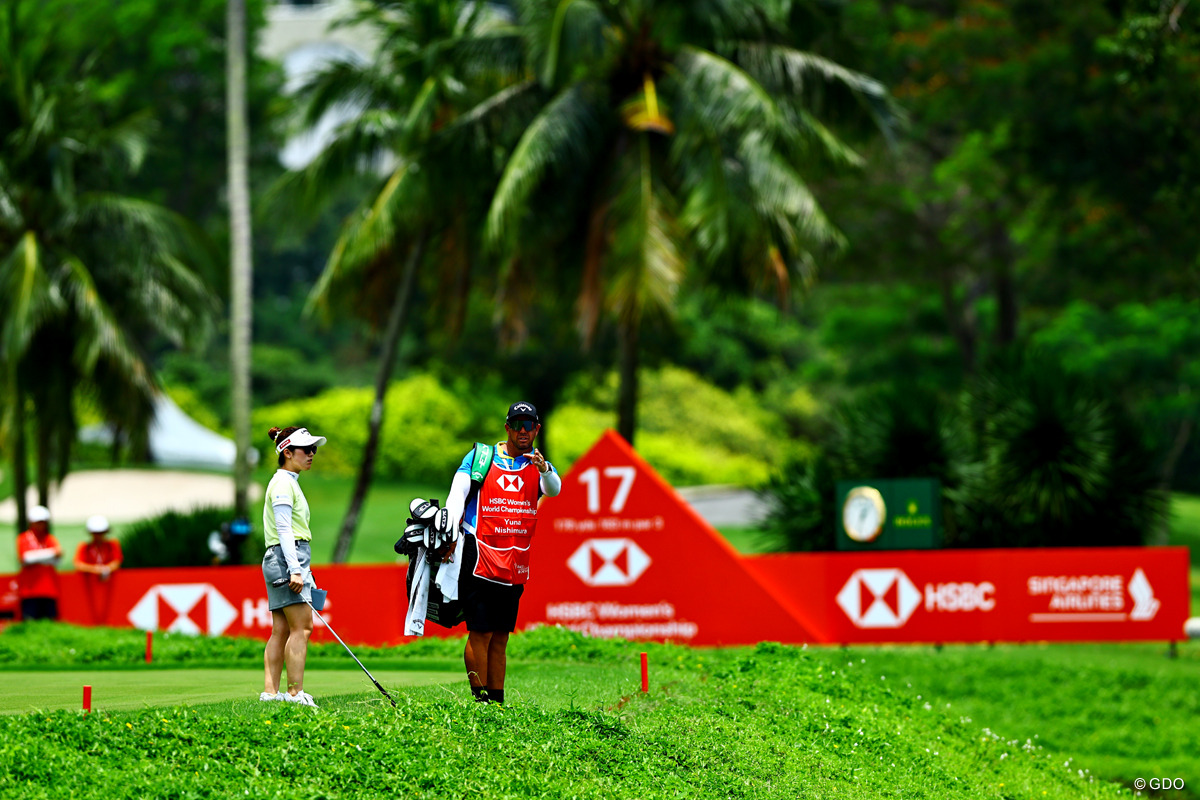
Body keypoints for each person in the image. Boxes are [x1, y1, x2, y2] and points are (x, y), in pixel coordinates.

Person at [441, 402, 562, 704]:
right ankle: (479, 700)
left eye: (529, 425)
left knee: (501, 636)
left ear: (537, 429)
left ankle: (496, 702)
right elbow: (457, 495)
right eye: (517, 424)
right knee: (480, 632)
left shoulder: (539, 464)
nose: (523, 430)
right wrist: (448, 535)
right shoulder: (482, 457)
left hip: (515, 560)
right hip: (479, 554)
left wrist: (544, 468)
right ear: (507, 427)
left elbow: (554, 489)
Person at [260, 425, 327, 707]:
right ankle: (295, 694)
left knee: (282, 629)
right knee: (302, 627)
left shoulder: (287, 480)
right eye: (306, 449)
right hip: (288, 556)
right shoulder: (284, 484)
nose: (312, 454)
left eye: (314, 449)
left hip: (282, 557)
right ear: (287, 452)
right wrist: (296, 570)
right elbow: (285, 529)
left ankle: (271, 693)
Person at [73, 515, 123, 625]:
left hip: (109, 587)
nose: (98, 536)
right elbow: (78, 564)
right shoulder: (84, 547)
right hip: (89, 586)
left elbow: (117, 562)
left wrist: (107, 569)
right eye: (96, 533)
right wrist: (96, 570)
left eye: (101, 532)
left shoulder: (112, 545)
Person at [16, 505, 62, 621]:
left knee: (50, 622)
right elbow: (25, 559)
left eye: (43, 522)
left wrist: (37, 556)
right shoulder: (23, 538)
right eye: (38, 522)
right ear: (31, 522)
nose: (41, 525)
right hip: (29, 590)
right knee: (30, 622)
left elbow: (58, 557)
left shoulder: (50, 538)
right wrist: (49, 554)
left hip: (49, 589)